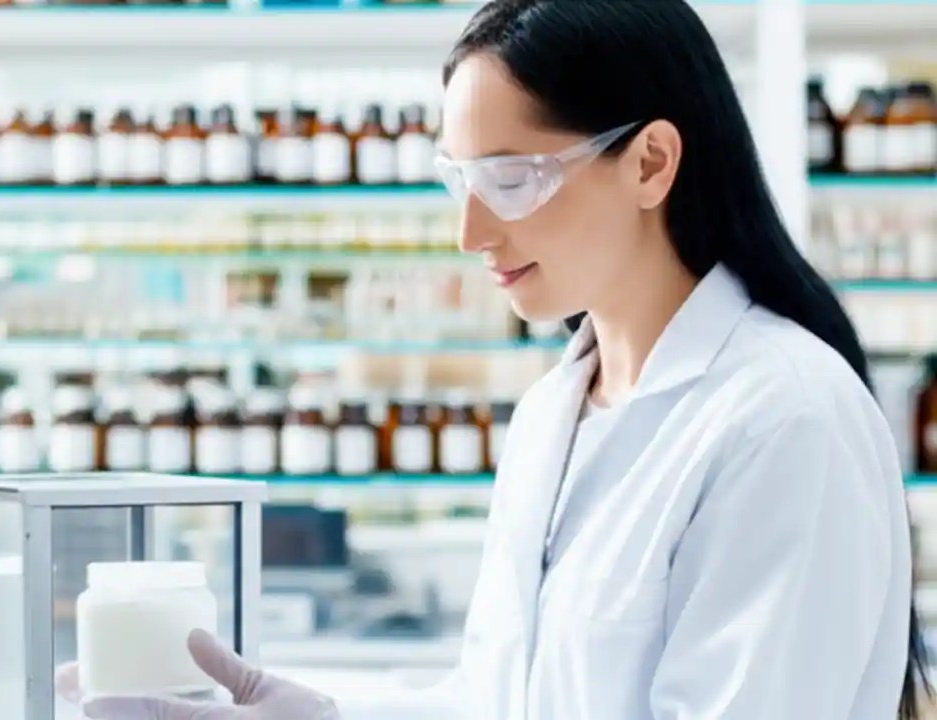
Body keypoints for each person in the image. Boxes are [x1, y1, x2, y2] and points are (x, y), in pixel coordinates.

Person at [71, 0, 930, 717]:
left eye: (511, 181)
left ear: (651, 162)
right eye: (461, 181)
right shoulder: (553, 413)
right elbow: (503, 701)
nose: (471, 233)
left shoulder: (784, 421)